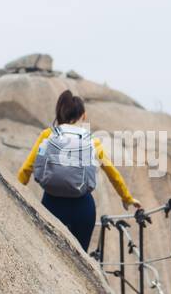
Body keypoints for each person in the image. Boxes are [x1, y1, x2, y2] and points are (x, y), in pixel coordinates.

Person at [18, 90, 140, 250]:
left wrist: (16, 189)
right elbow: (112, 173)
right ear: (84, 115)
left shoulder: (48, 135)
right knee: (79, 261)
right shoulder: (91, 140)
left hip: (52, 204)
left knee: (49, 254)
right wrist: (127, 198)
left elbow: (27, 168)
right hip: (82, 207)